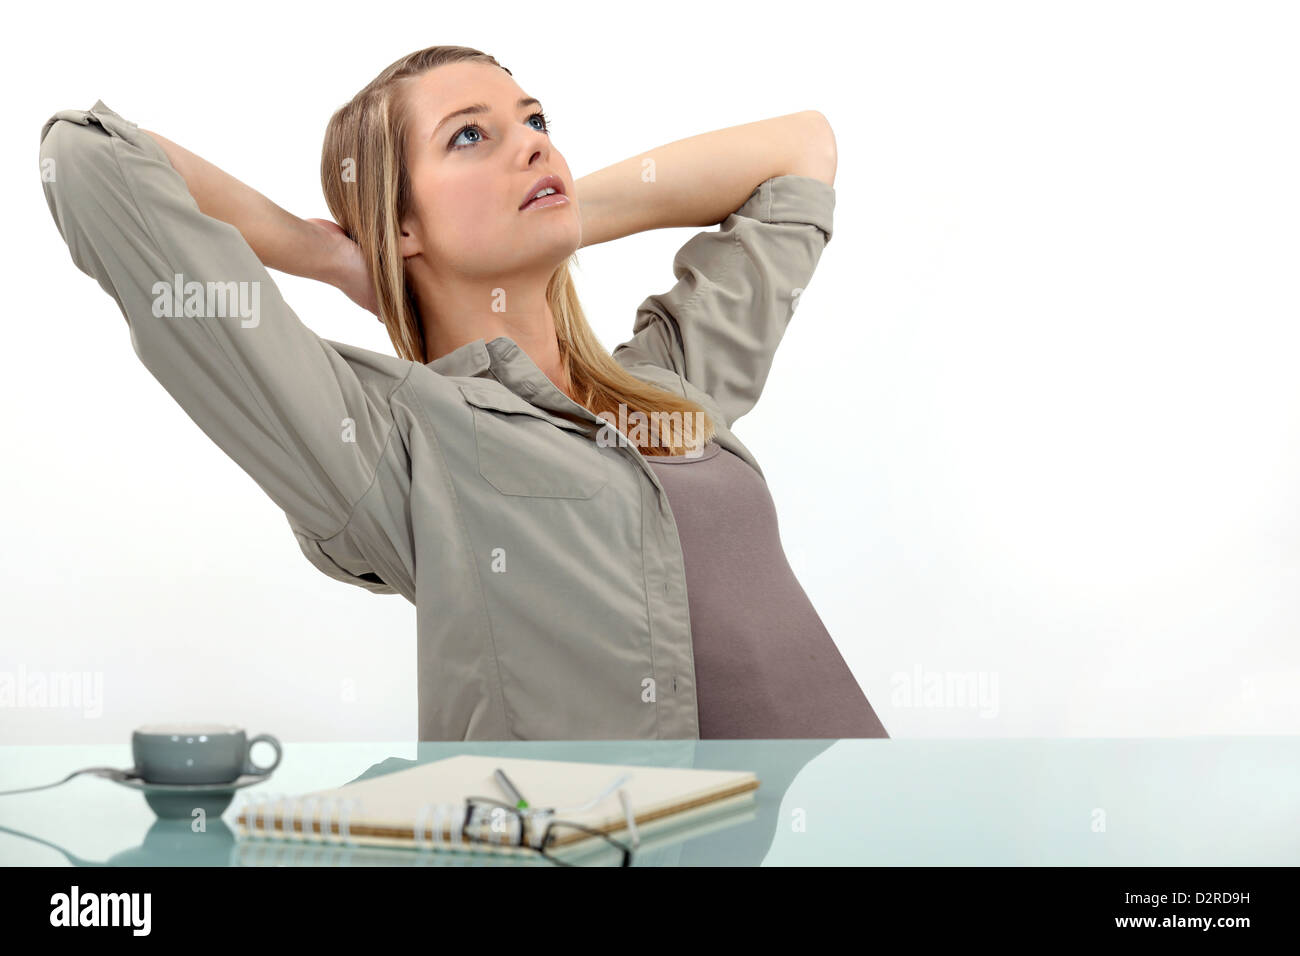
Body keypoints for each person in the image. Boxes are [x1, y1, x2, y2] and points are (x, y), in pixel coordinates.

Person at [39, 44, 888, 742]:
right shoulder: (394, 446)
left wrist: (553, 206)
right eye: (469, 139)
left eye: (536, 122)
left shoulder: (665, 384)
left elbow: (802, 153)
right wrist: (330, 252)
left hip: (878, 830)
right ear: (398, 223)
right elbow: (86, 158)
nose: (533, 144)